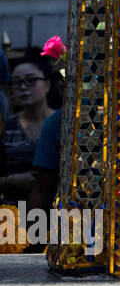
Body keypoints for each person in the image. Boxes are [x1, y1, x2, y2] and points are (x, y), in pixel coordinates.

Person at [0, 52, 59, 204]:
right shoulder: (6, 127)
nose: (23, 87)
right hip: (11, 216)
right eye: (16, 82)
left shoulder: (61, 125)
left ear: (47, 84)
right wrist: (10, 181)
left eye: (31, 80)